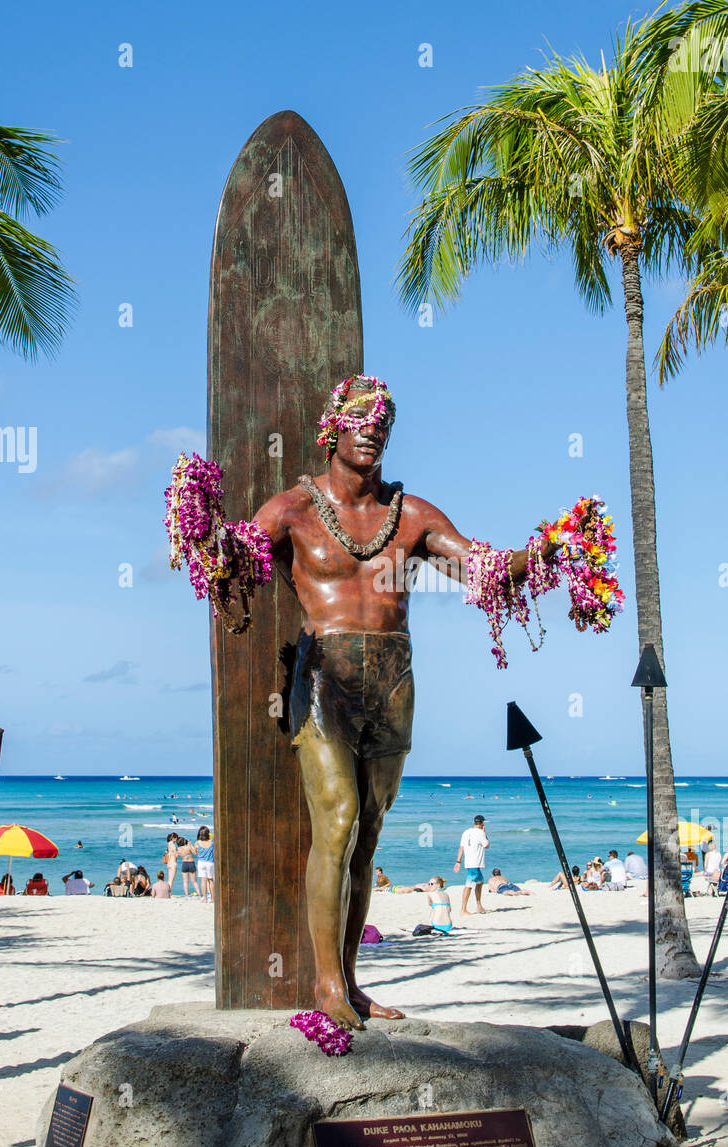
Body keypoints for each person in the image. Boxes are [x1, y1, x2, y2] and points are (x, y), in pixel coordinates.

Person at [251, 376, 556, 1028]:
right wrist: (201, 534)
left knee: (367, 837)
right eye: (360, 418)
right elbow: (238, 557)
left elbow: (483, 567)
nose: (372, 429)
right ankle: (327, 987)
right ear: (332, 428)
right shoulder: (293, 511)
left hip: (393, 678)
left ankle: (352, 983)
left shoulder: (410, 514)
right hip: (324, 674)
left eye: (382, 420)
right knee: (336, 820)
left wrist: (552, 551)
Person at [453, 815, 489, 915]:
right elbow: (487, 846)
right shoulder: (481, 833)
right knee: (468, 886)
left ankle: (479, 906)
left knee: (480, 883)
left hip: (470, 863)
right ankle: (463, 909)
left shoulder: (466, 832)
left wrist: (458, 862)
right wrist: (485, 833)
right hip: (475, 863)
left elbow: (461, 848)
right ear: (482, 823)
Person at [195, 826, 215, 904]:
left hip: (201, 863)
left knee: (203, 881)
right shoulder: (212, 842)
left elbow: (196, 853)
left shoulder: (197, 843)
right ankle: (213, 899)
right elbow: (214, 852)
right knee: (211, 880)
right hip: (210, 862)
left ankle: (205, 899)